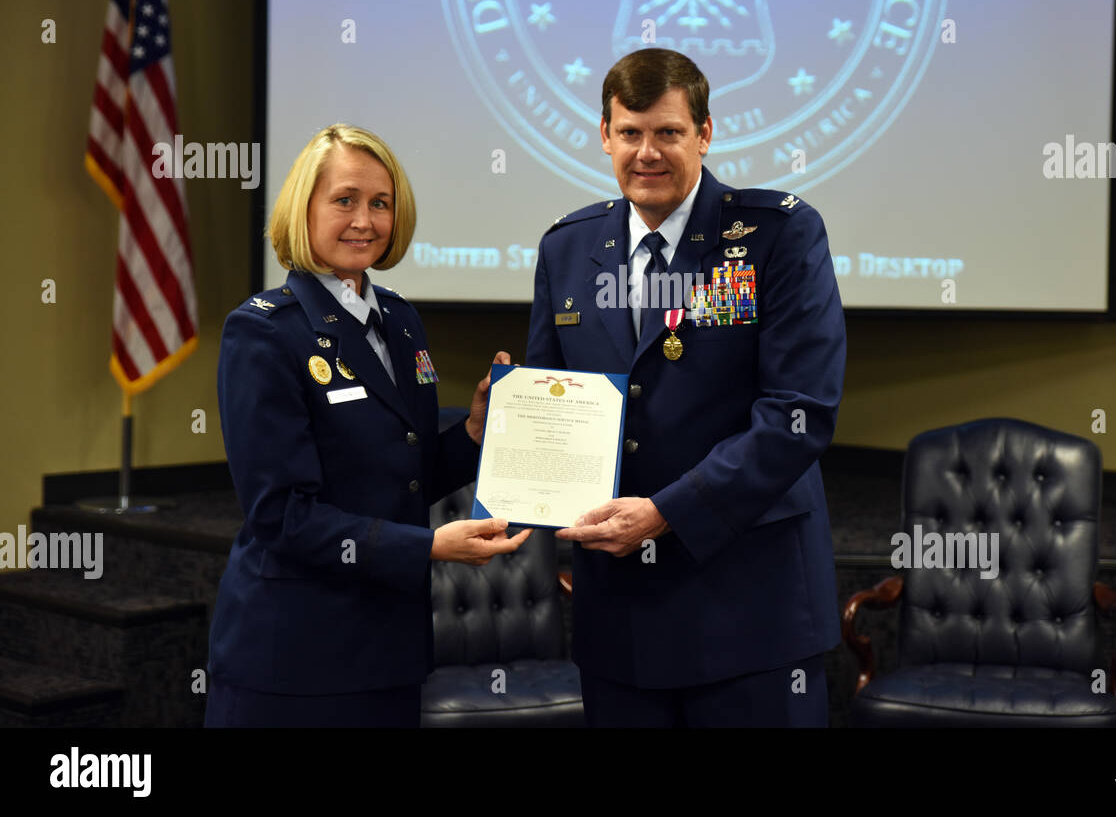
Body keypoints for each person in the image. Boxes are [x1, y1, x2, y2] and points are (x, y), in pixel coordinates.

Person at [528, 49, 846, 726]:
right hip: (621, 614)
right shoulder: (566, 248)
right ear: (604, 135)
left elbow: (799, 414)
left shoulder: (777, 235)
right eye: (631, 132)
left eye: (668, 132)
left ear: (705, 132)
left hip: (751, 607)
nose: (648, 151)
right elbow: (553, 402)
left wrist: (669, 509)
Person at [205, 124, 529, 727]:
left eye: (381, 203)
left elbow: (407, 473)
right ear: (303, 209)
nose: (365, 220)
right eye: (345, 200)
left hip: (390, 649)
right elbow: (282, 515)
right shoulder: (264, 332)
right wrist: (429, 545)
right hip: (295, 654)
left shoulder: (402, 322)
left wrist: (474, 433)